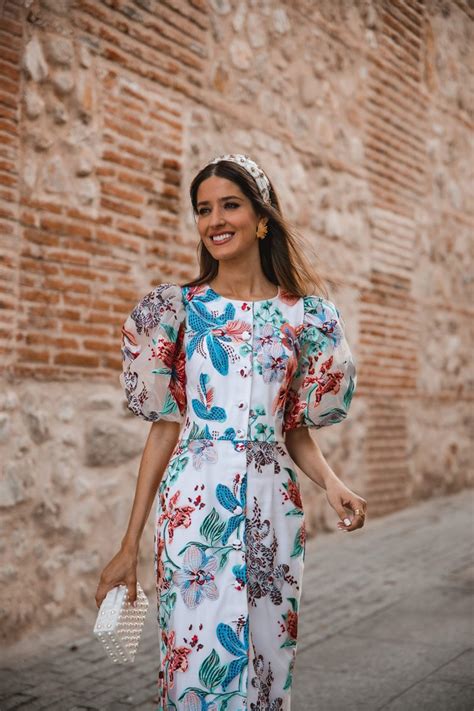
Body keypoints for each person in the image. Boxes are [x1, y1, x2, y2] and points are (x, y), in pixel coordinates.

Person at [95, 153, 367, 710]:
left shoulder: (303, 318)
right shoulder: (180, 311)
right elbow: (165, 429)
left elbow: (290, 430)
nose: (214, 219)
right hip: (193, 510)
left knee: (266, 665)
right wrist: (129, 543)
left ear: (261, 217)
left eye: (230, 205)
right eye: (203, 209)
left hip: (273, 511)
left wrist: (332, 483)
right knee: (195, 667)